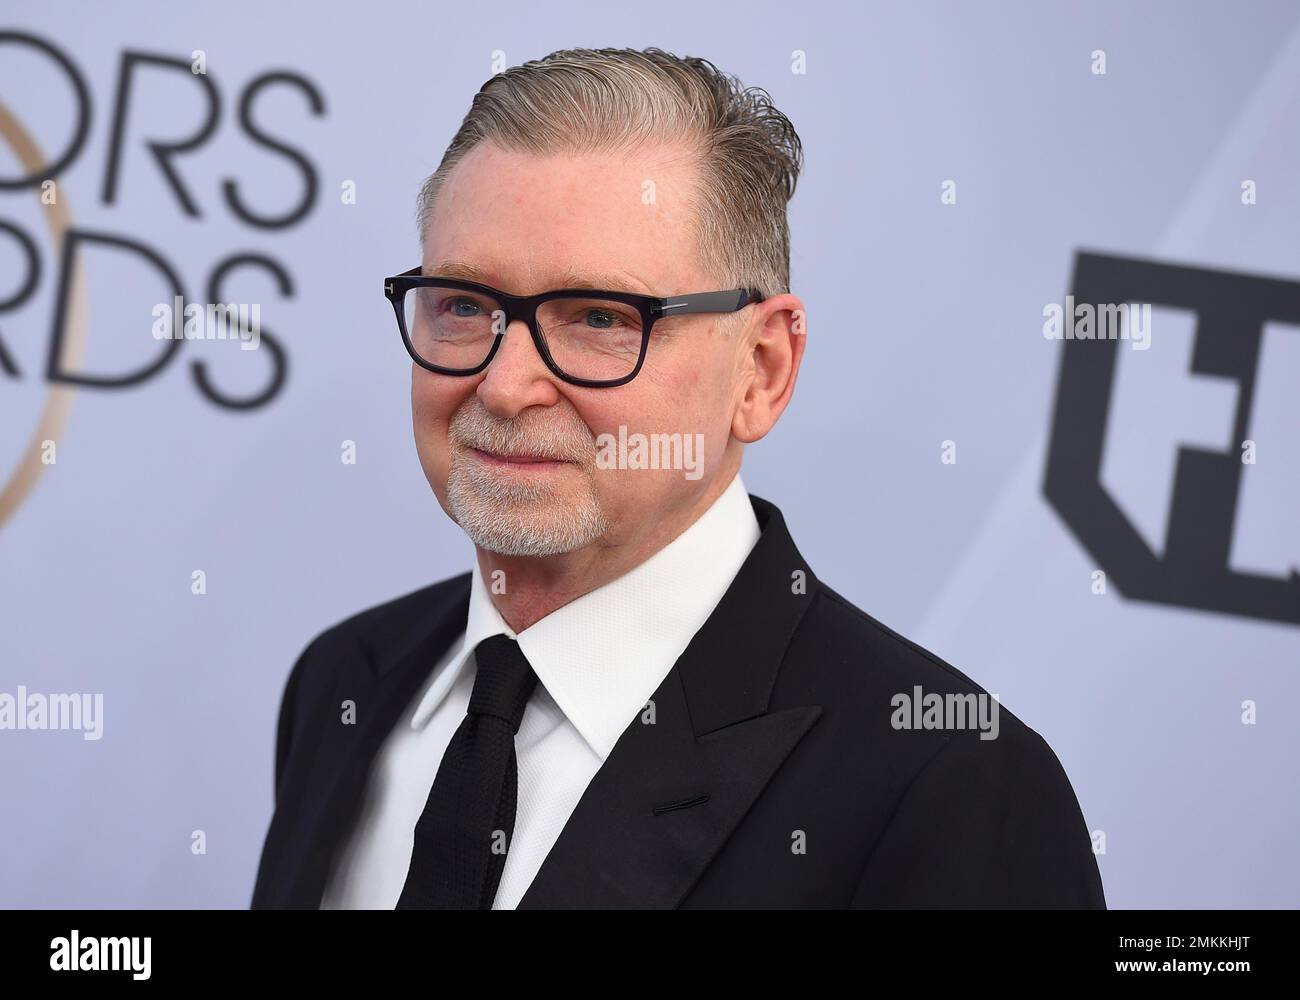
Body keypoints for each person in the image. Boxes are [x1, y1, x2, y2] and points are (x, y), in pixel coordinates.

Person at [251, 46, 1104, 909]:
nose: (505, 386)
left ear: (761, 369)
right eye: (465, 305)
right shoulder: (344, 682)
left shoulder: (948, 787)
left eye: (599, 318)